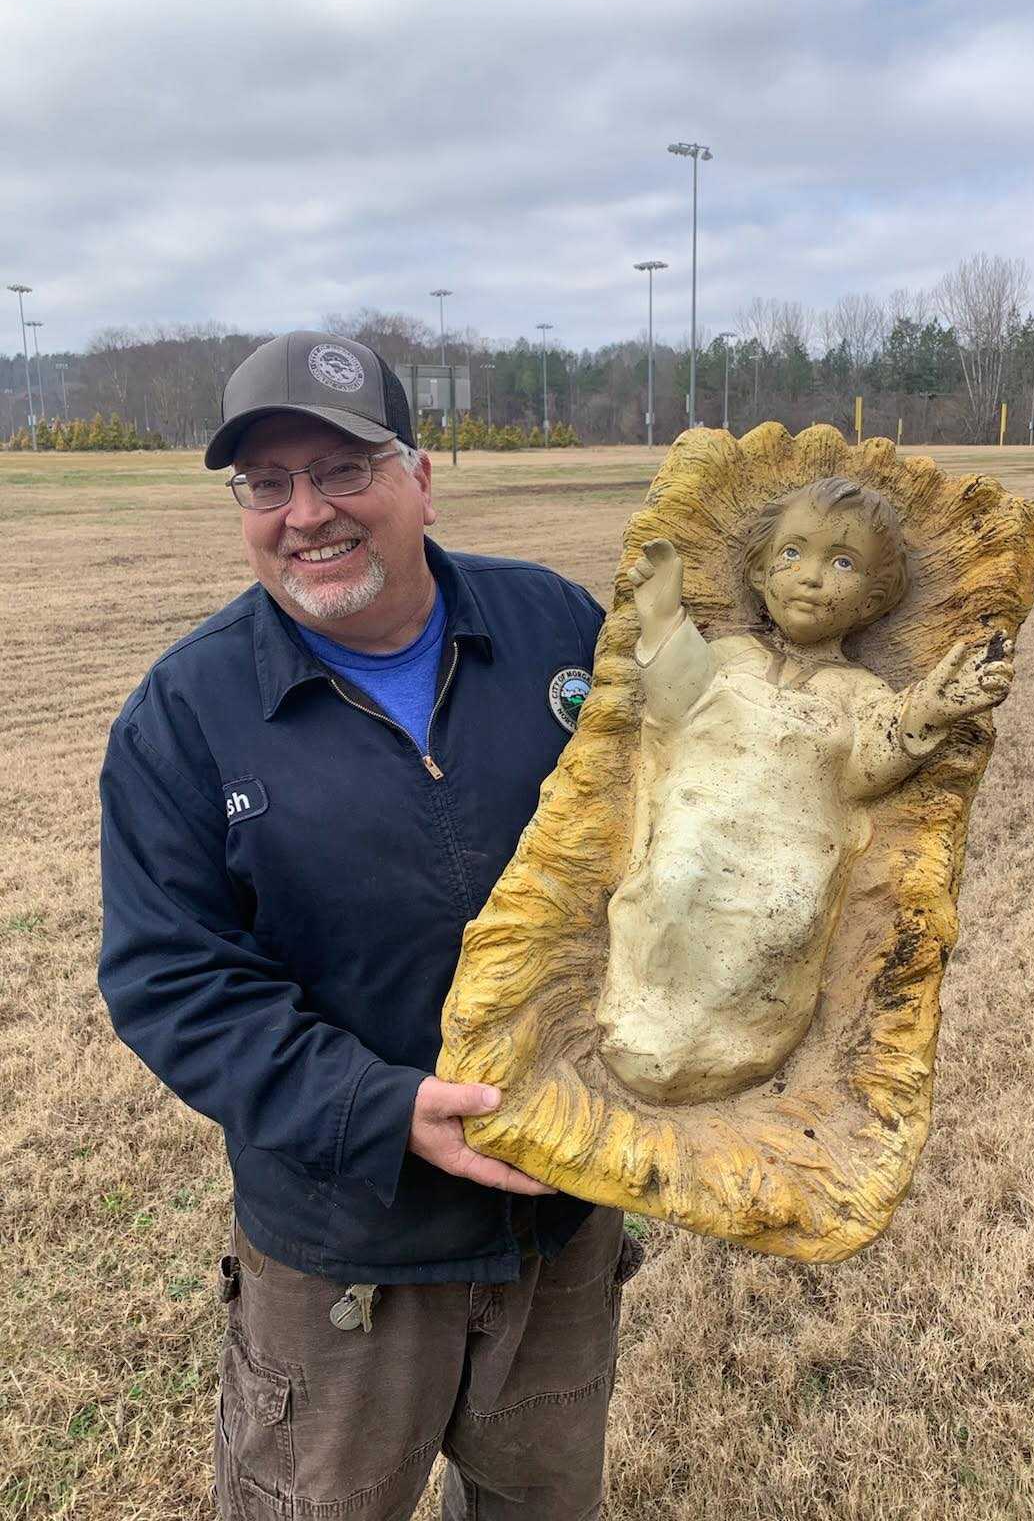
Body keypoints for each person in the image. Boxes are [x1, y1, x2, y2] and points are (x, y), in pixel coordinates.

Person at [98, 330, 642, 1521]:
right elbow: (173, 981)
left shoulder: (556, 629)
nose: (307, 513)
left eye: (344, 469)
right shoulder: (185, 718)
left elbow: (666, 833)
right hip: (348, 1255)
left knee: (542, 1504)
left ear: (421, 476)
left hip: (561, 1218)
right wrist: (381, 1109)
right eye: (267, 483)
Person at [597, 477, 1016, 1105]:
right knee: (676, 880)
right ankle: (645, 1026)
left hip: (793, 844)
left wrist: (930, 707)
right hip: (700, 819)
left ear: (874, 600)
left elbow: (869, 767)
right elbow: (674, 700)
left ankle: (735, 1044)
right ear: (762, 568)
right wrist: (663, 615)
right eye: (792, 554)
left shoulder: (859, 692)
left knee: (786, 917)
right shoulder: (726, 654)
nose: (811, 577)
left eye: (841, 563)